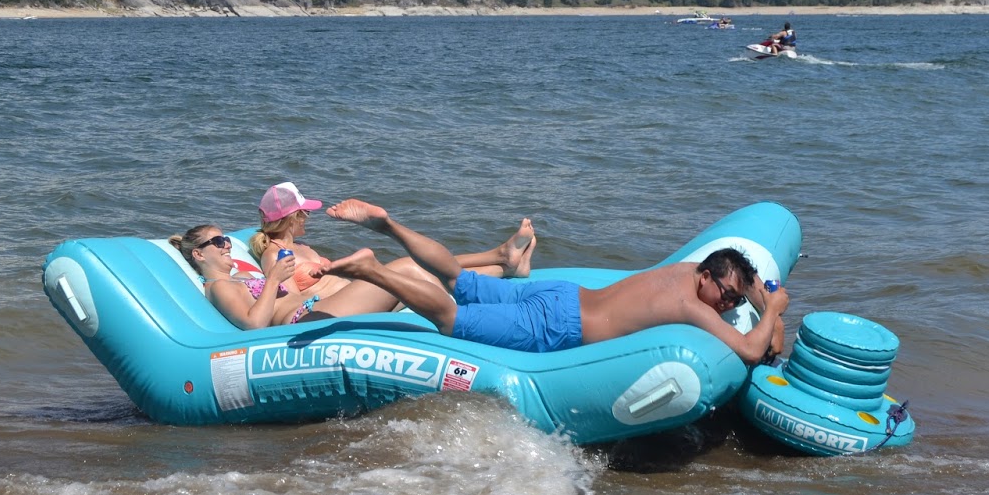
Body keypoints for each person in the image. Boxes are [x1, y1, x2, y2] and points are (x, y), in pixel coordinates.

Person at [319, 199, 788, 363]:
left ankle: (390, 227)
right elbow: (749, 350)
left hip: (559, 296)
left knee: (455, 275)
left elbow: (740, 279)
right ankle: (373, 270)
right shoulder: (692, 306)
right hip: (558, 327)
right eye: (725, 295)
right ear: (706, 277)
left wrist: (753, 293)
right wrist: (772, 310)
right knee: (449, 317)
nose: (727, 304)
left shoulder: (687, 272)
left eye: (731, 298)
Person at [249, 181, 536, 291]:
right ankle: (503, 266)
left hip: (355, 290)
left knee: (414, 265)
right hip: (341, 305)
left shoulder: (301, 246)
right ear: (291, 218)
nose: (309, 217)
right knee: (412, 268)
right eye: (304, 212)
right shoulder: (274, 254)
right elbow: (289, 300)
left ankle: (501, 258)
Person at [170, 224, 402, 329]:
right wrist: (273, 279)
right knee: (402, 271)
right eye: (219, 242)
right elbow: (254, 324)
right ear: (198, 254)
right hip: (304, 320)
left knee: (413, 275)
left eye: (227, 240)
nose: (227, 245)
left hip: (318, 307)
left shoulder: (240, 276)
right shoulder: (218, 286)